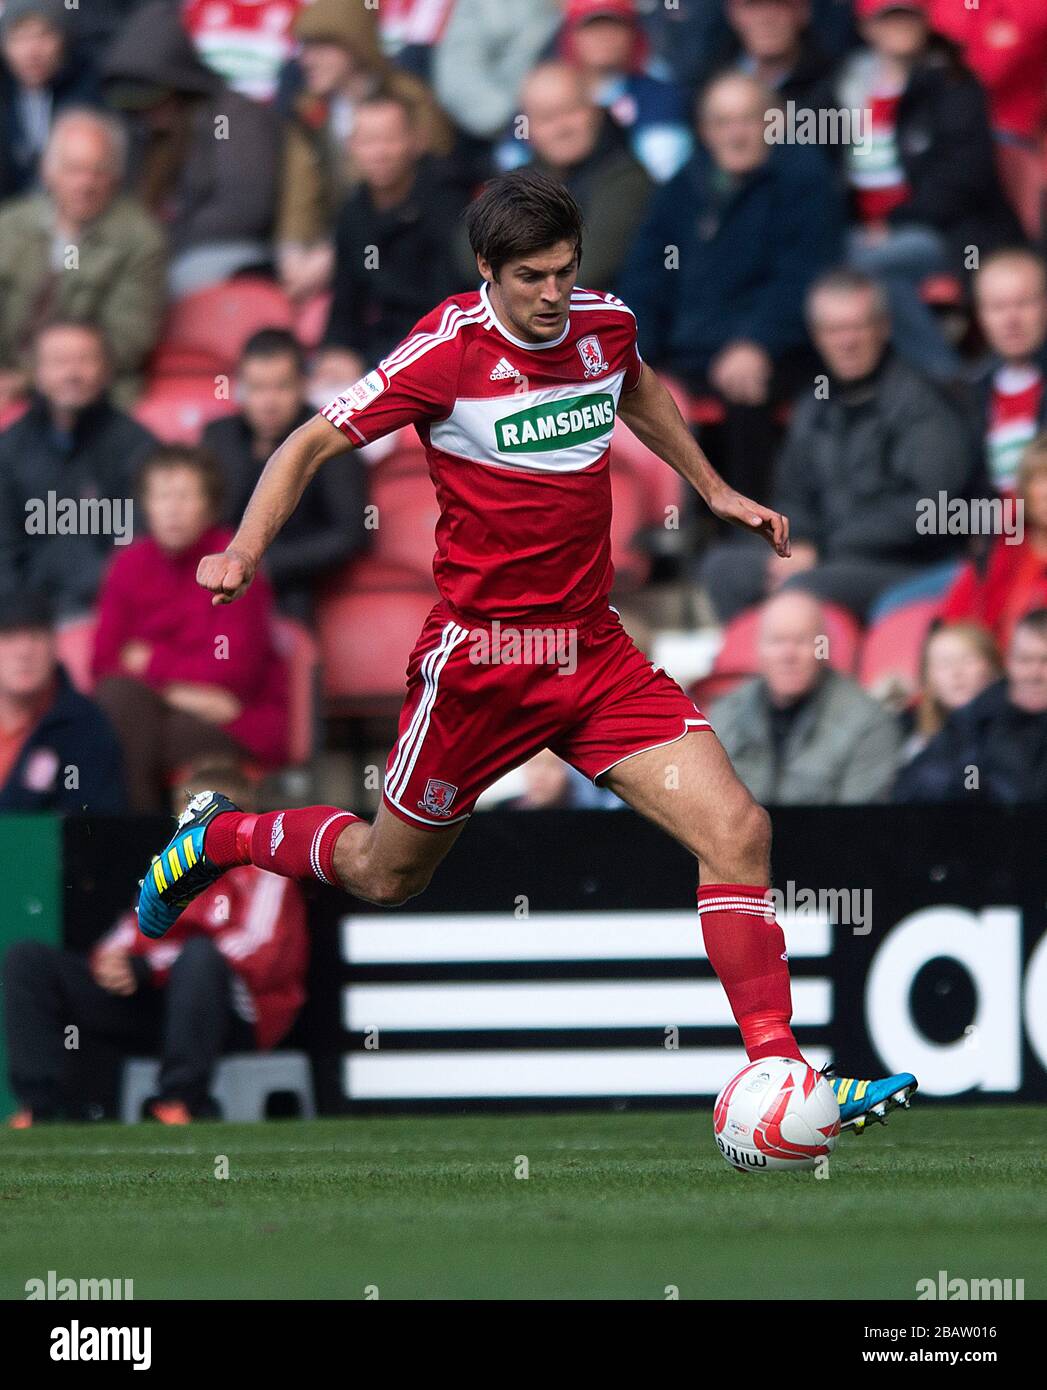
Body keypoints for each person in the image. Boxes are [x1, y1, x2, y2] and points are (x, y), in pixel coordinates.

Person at [135, 169, 917, 1134]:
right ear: (487, 271)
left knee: (739, 831)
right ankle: (219, 837)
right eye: (534, 277)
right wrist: (245, 549)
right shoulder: (443, 352)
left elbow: (636, 387)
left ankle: (784, 1075)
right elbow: (303, 445)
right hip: (481, 667)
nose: (555, 294)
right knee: (387, 875)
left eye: (566, 270)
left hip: (592, 653)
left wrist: (710, 488)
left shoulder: (604, 322)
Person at [4, 762, 309, 1127]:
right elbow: (131, 929)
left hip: (234, 1015)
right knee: (28, 959)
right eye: (189, 817)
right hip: (158, 1005)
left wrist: (153, 966)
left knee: (200, 959)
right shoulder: (173, 868)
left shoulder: (267, 871)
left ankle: (178, 1103)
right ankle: (40, 1108)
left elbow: (257, 951)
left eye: (207, 815)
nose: (194, 826)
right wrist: (113, 962)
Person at [700, 269, 977, 622]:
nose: (846, 341)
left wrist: (823, 549)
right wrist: (791, 543)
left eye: (857, 327)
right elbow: (792, 497)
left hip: (909, 564)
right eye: (833, 330)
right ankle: (754, 674)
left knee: (802, 587)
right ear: (817, 336)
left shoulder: (924, 403)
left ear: (884, 327)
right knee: (725, 569)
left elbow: (928, 510)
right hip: (826, 554)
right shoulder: (813, 405)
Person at [618, 71, 843, 499]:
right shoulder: (684, 186)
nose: (735, 135)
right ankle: (658, 539)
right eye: (722, 123)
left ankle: (752, 527)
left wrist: (756, 342)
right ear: (704, 131)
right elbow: (646, 275)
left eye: (748, 120)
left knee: (745, 387)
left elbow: (804, 277)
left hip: (778, 348)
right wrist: (634, 350)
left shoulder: (804, 179)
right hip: (689, 349)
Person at [91, 446, 289, 812]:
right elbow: (104, 664)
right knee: (118, 700)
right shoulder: (128, 564)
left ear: (210, 505)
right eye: (162, 496)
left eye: (185, 496)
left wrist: (149, 663)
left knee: (127, 733)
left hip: (239, 722)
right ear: (146, 505)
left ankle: (136, 841)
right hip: (162, 712)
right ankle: (150, 842)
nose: (173, 509)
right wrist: (181, 694)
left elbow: (233, 674)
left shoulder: (234, 562)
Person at [839, 0, 1022, 383]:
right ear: (866, 26)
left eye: (908, 16)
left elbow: (966, 178)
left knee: (860, 266)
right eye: (888, 18)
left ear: (926, 21)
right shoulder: (845, 86)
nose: (899, 27)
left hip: (954, 233)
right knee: (840, 263)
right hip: (873, 233)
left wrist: (894, 222)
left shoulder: (952, 81)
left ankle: (947, 379)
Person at [276, 0, 455, 303]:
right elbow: (300, 198)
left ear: (355, 46)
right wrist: (292, 254)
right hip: (329, 258)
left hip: (409, 253)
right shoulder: (308, 112)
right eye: (305, 48)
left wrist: (338, 251)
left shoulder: (411, 99)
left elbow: (436, 186)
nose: (307, 60)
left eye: (321, 47)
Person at [102, 0, 282, 297]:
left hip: (224, 254)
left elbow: (246, 209)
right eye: (136, 108)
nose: (147, 113)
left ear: (179, 85)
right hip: (158, 253)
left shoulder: (235, 117)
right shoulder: (143, 131)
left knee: (170, 283)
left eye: (153, 101)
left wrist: (162, 245)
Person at [0, 109, 167, 410]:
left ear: (116, 176)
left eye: (99, 171)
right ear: (47, 171)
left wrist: (28, 378)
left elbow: (127, 341)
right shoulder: (10, 225)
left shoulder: (140, 240)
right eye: (74, 169)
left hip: (93, 396)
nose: (86, 184)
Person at [204, 329, 368, 621]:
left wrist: (263, 565)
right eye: (256, 388)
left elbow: (350, 534)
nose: (268, 402)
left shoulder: (332, 439)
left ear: (303, 385)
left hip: (296, 589)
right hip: (216, 581)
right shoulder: (218, 437)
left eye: (281, 387)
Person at [0, 318, 157, 619]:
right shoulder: (8, 449)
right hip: (23, 620)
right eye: (59, 361)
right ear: (36, 372)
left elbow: (140, 548)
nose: (72, 374)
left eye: (85, 360)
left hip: (112, 614)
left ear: (106, 369)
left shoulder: (139, 447)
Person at [315, 92, 466, 391]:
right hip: (375, 360)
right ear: (351, 147)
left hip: (439, 360)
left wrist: (371, 361)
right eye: (368, 141)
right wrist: (337, 350)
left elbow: (450, 311)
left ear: (416, 141)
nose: (380, 152)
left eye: (390, 139)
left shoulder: (448, 204)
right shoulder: (354, 212)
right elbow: (345, 301)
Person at [709, 590, 903, 803]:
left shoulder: (868, 724)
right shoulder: (725, 714)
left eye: (801, 641)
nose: (788, 655)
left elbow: (860, 825)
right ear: (759, 649)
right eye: (776, 641)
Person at [484, 61, 652, 292]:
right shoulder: (520, 179)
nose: (561, 127)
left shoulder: (628, 178)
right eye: (546, 117)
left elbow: (587, 268)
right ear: (527, 127)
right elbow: (469, 250)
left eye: (571, 110)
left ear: (595, 110)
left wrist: (508, 263)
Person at [894, 607, 1047, 802]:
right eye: (1024, 660)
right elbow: (915, 783)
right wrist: (973, 785)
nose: (1033, 674)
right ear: (1009, 662)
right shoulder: (978, 719)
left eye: (1045, 661)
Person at [0, 590, 125, 813]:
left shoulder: (85, 728)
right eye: (9, 637)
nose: (24, 650)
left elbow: (93, 825)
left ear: (55, 645)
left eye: (36, 636)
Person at [555, 0, 693, 184]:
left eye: (614, 25)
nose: (603, 36)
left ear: (633, 33)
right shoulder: (548, 99)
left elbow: (665, 173)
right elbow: (514, 162)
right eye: (592, 26)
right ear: (571, 36)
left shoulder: (661, 98)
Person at [938, 435, 1047, 651]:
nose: (1046, 492)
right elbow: (955, 619)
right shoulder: (999, 546)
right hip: (996, 672)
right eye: (1039, 479)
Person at [0, 0, 100, 199]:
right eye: (19, 38)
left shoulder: (90, 90)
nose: (32, 52)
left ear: (63, 40)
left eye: (43, 35)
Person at [968, 249, 1047, 495]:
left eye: (1024, 303)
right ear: (980, 315)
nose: (1011, 319)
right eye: (997, 307)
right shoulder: (966, 395)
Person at [901, 621, 1003, 760]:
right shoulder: (916, 743)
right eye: (944, 664)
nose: (956, 672)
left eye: (968, 660)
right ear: (928, 679)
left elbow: (972, 781)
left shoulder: (1019, 735)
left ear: (993, 668)